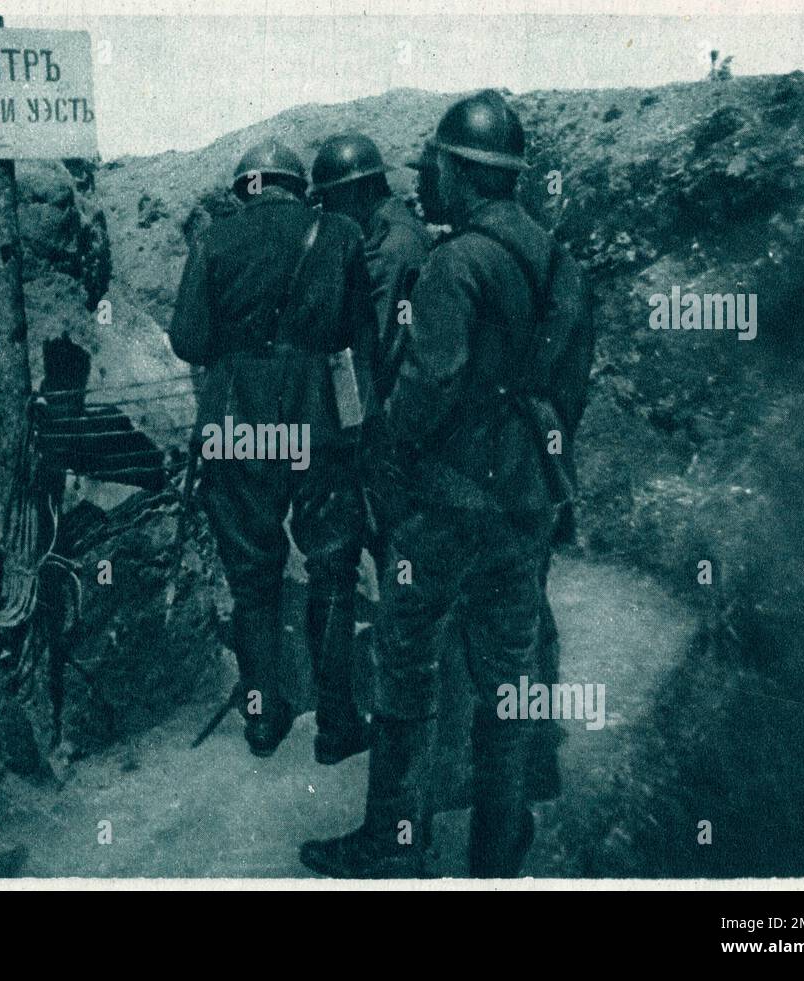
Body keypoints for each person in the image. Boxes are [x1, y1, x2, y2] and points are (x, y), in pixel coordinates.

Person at [301, 91, 592, 877]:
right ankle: (499, 842)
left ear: (462, 173)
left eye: (435, 164)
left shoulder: (453, 264)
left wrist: (387, 464)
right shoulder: (557, 260)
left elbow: (429, 387)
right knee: (507, 676)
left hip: (446, 507)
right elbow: (570, 387)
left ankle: (393, 842)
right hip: (525, 502)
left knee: (406, 667)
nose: (427, 179)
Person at [168, 138, 377, 763]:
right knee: (333, 568)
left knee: (252, 575)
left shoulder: (211, 243)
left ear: (244, 190)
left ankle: (263, 716)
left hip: (237, 424)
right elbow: (357, 333)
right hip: (315, 420)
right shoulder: (338, 234)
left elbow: (188, 341)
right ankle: (338, 722)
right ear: (296, 185)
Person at [311, 133, 431, 403]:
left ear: (358, 191)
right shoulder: (400, 227)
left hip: (395, 401)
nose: (325, 210)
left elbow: (379, 343)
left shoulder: (390, 246)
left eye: (329, 198)